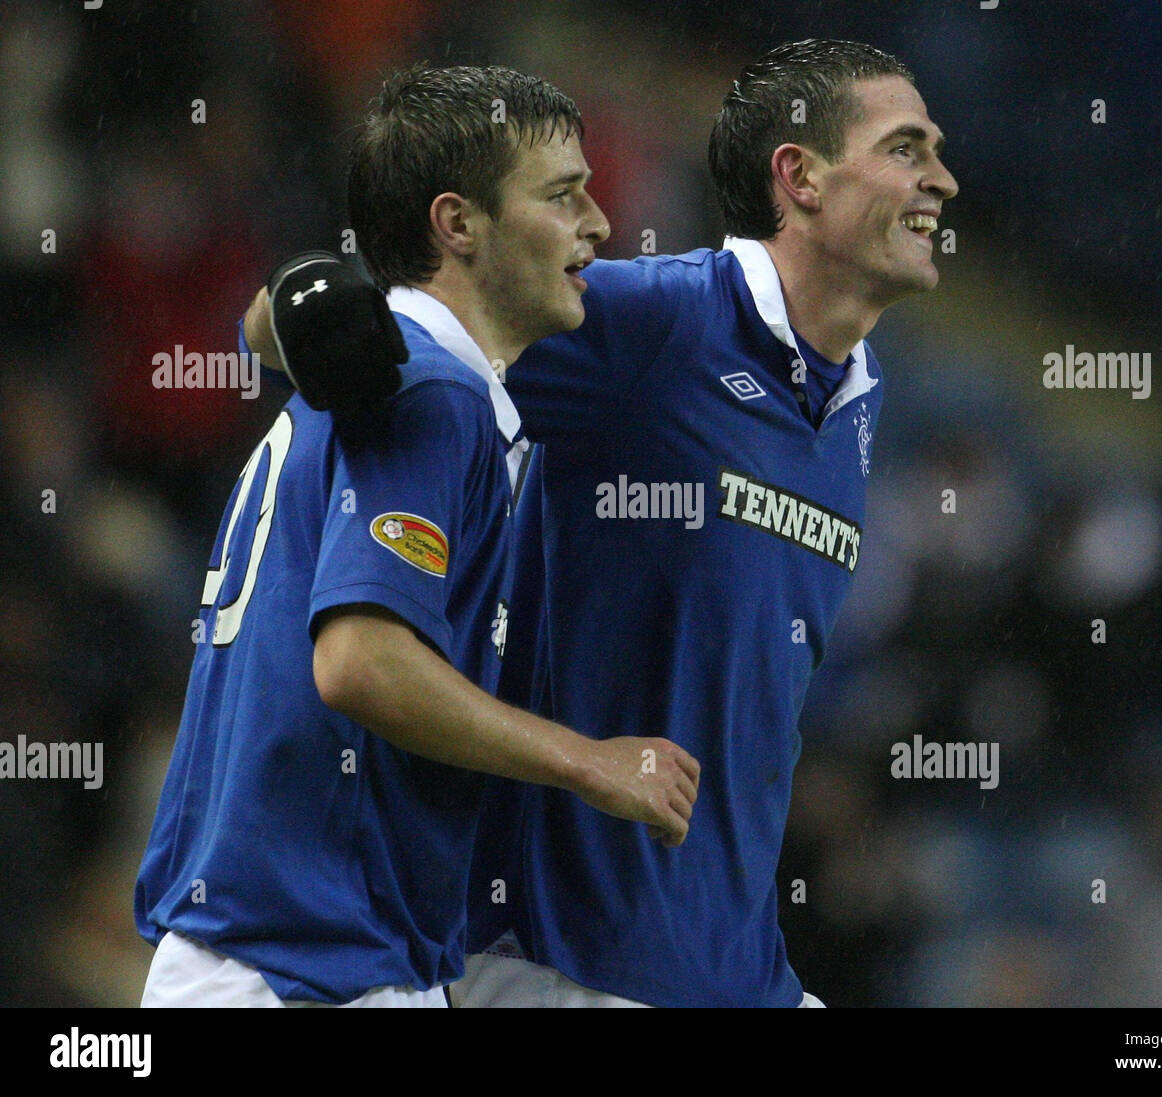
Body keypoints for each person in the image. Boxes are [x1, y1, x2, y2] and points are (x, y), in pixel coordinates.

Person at [243, 38, 958, 1007]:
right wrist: (293, 302)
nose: (943, 181)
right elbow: (377, 321)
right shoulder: (662, 323)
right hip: (567, 957)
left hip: (737, 968)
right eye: (906, 149)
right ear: (801, 176)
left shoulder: (861, 400)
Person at [134, 62, 699, 1008]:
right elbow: (361, 663)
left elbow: (260, 329)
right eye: (563, 196)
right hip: (311, 963)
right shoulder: (433, 391)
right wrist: (589, 760)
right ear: (458, 223)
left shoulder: (365, 359)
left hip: (278, 951)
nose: (599, 224)